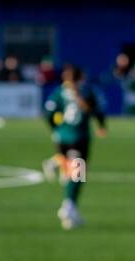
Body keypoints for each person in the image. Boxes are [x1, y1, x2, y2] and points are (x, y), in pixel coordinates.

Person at [41, 64, 107, 229]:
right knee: (77, 174)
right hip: (78, 137)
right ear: (80, 78)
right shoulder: (85, 91)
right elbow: (96, 110)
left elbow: (49, 113)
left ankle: (72, 212)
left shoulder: (59, 92)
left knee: (71, 172)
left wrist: (55, 128)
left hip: (61, 137)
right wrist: (101, 125)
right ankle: (68, 206)